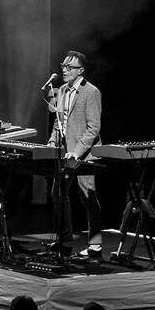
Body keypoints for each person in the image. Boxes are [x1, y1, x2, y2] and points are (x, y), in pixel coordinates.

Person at [47, 51, 103, 260]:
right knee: (57, 193)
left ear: (81, 71)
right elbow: (58, 122)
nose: (64, 69)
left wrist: (77, 151)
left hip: (84, 154)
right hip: (64, 154)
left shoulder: (91, 92)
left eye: (69, 67)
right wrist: (53, 141)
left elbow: (93, 128)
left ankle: (95, 244)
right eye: (63, 65)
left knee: (87, 197)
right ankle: (65, 240)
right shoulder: (61, 90)